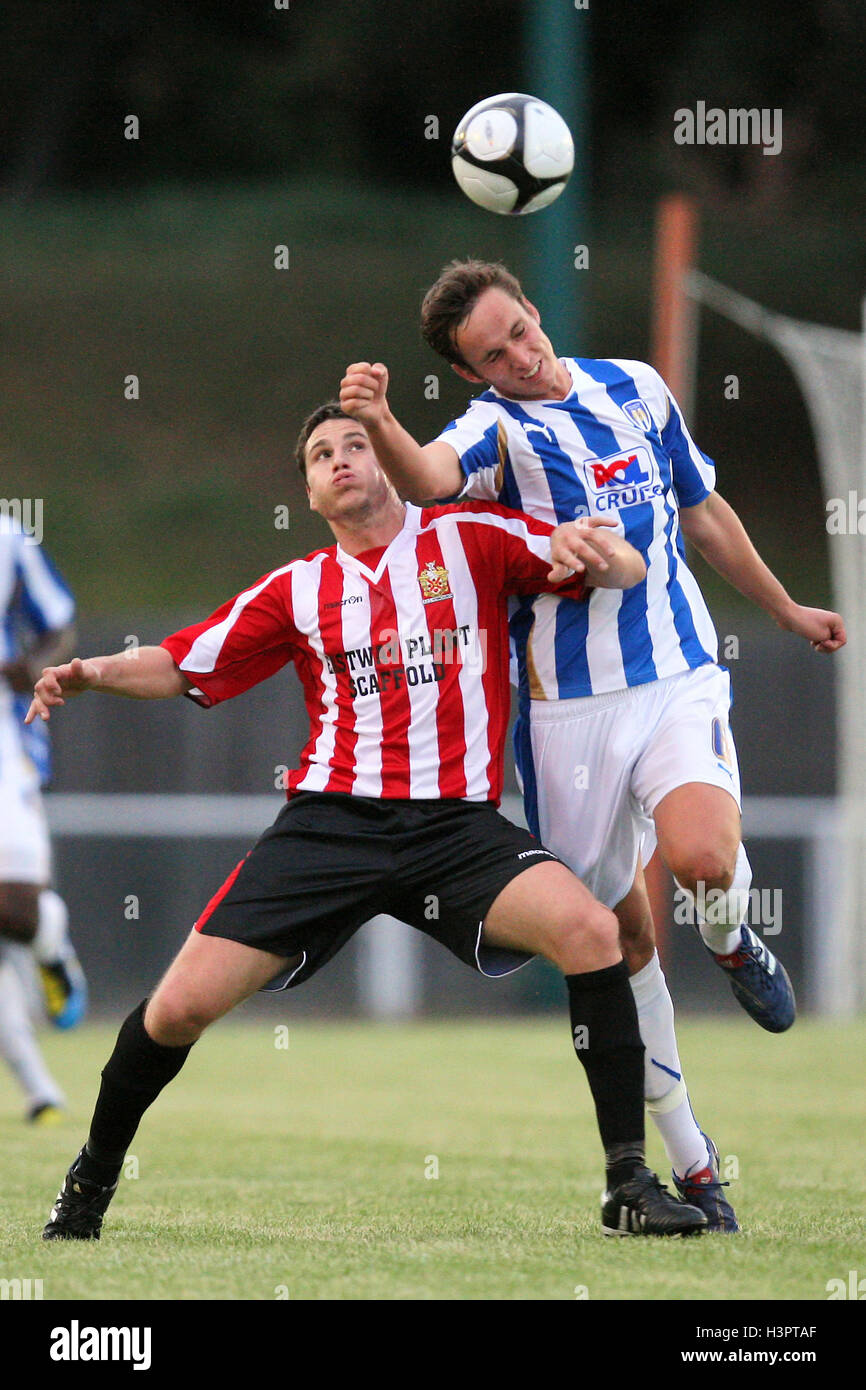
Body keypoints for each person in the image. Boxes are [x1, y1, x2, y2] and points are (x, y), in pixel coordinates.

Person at [30, 404, 708, 1241]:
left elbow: (611, 568)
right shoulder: (297, 588)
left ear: (388, 461)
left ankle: (627, 1184)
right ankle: (89, 1184)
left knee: (591, 933)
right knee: (175, 1012)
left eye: (357, 444)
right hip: (332, 827)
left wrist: (597, 548)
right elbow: (179, 662)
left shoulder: (471, 536)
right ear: (311, 492)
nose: (343, 459)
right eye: (322, 453)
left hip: (456, 827)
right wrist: (92, 670)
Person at [338, 259, 847, 1232]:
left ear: (533, 310)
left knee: (701, 860)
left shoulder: (635, 386)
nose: (522, 356)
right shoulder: (493, 429)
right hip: (564, 716)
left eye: (522, 330)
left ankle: (732, 936)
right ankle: (693, 1160)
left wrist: (781, 606)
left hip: (673, 677)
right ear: (473, 372)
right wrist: (382, 421)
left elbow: (700, 511)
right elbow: (431, 477)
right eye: (495, 355)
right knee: (617, 942)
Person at [0, 520, 88, 1123]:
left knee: (18, 909)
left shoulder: (7, 538)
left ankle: (50, 936)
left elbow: (60, 623)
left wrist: (28, 664)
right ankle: (40, 1090)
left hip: (4, 745)